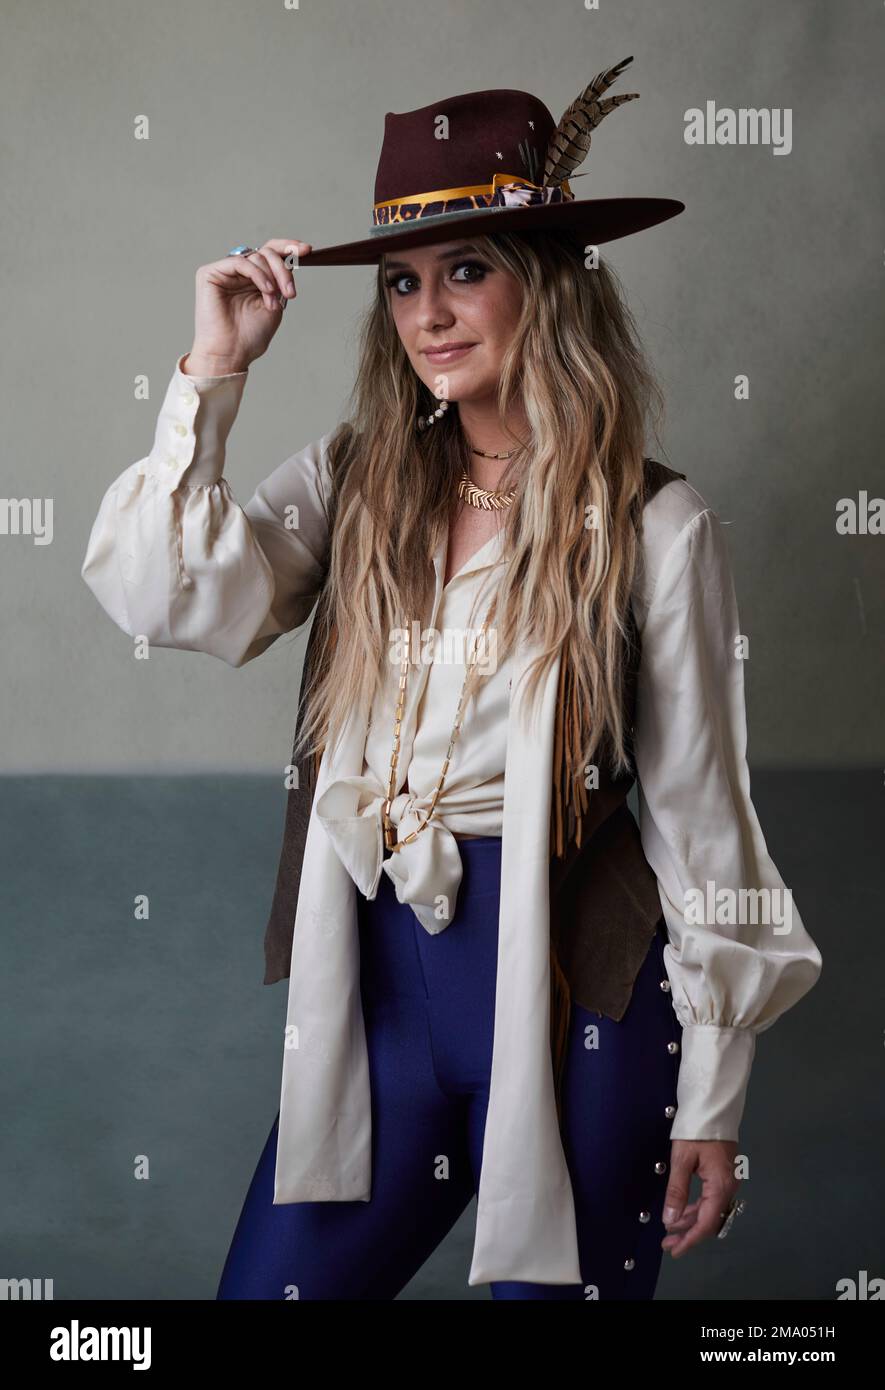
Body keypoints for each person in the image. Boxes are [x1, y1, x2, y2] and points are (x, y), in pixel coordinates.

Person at [81, 65, 822, 1300]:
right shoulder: (356, 476)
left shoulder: (657, 524)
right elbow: (172, 599)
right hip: (377, 1000)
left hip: (586, 1004)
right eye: (403, 281)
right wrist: (213, 371)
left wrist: (715, 1098)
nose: (429, 311)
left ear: (548, 281)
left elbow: (705, 821)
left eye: (468, 269)